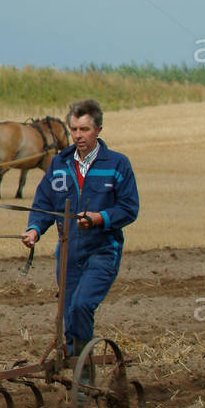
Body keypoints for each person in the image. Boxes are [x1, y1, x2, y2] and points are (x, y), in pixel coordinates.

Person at [21, 99, 139, 381]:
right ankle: (75, 365)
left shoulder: (117, 164)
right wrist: (35, 229)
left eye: (84, 129)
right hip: (68, 252)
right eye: (73, 129)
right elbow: (45, 203)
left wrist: (100, 218)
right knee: (69, 314)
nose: (78, 135)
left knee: (82, 306)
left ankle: (83, 376)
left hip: (102, 250)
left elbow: (128, 208)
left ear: (98, 129)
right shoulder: (59, 164)